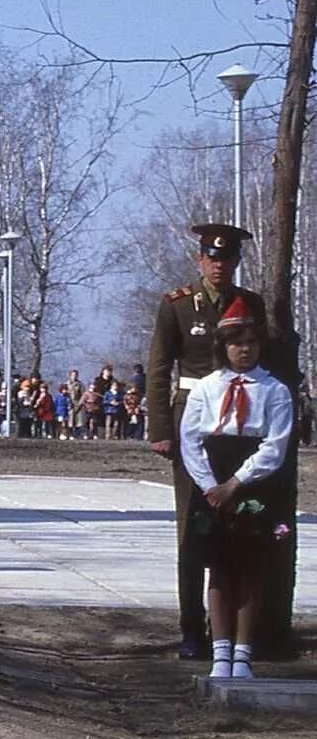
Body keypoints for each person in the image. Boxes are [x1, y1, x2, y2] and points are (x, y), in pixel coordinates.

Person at [147, 222, 269, 660]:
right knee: (192, 528)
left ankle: (238, 630)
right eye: (212, 258)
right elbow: (159, 368)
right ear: (201, 259)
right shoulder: (177, 305)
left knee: (242, 525)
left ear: (236, 261)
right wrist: (161, 430)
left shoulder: (250, 303)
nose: (219, 265)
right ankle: (191, 629)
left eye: (227, 258)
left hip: (239, 425)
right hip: (193, 422)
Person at [178, 298, 292, 679]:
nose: (244, 350)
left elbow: (275, 446)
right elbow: (190, 440)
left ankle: (243, 654)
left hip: (253, 481)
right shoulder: (206, 388)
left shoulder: (274, 390)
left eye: (251, 343)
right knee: (218, 568)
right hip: (212, 479)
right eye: (236, 343)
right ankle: (220, 652)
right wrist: (211, 486)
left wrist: (235, 484)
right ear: (222, 347)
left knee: (249, 569)